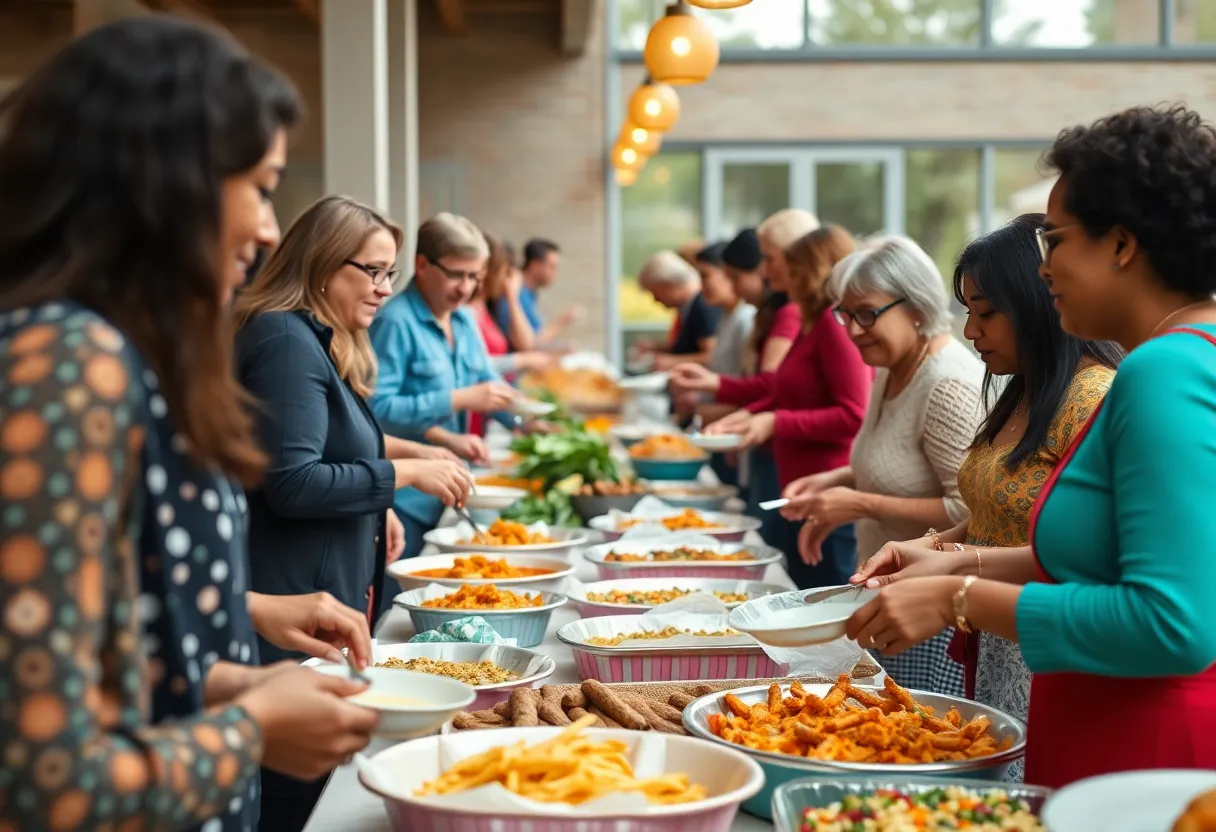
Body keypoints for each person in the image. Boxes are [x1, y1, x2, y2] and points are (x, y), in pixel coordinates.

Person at [0, 17, 380, 832]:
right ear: (165, 184)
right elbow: (44, 778)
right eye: (261, 186)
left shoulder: (111, 354)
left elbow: (94, 657)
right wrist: (252, 728)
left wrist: (236, 667)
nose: (273, 228)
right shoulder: (69, 363)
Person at [846, 105, 1216, 788]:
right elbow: (1095, 558)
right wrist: (955, 562)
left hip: (1143, 755)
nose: (1044, 270)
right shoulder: (1170, 363)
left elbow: (1174, 624)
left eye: (1056, 240)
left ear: (1122, 244)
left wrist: (959, 598)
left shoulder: (1165, 371)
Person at [233, 196, 475, 829]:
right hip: (286, 607)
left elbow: (334, 442)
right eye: (371, 271)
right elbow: (292, 480)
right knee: (292, 797)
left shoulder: (315, 337)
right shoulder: (285, 339)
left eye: (389, 273)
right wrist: (398, 479)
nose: (384, 289)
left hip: (315, 602)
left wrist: (386, 491)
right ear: (319, 265)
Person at [918, 214, 1120, 780]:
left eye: (986, 313)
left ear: (1037, 302)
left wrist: (954, 570)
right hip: (992, 636)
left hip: (1044, 648)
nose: (970, 331)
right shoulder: (1024, 389)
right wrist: (930, 547)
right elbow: (998, 508)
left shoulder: (1093, 398)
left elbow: (1087, 553)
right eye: (967, 312)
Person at [781, 235, 983, 696]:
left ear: (917, 307)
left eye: (866, 313)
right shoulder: (892, 367)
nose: (851, 330)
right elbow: (897, 464)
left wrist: (860, 502)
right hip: (889, 595)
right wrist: (834, 481)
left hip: (933, 615)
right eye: (844, 314)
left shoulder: (948, 385)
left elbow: (970, 511)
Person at [672, 226, 870, 588]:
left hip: (827, 493)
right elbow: (784, 393)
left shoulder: (832, 323)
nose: (770, 274)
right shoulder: (812, 323)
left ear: (816, 273)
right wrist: (746, 416)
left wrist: (773, 423)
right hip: (799, 490)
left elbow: (854, 413)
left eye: (791, 270)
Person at [369, 214, 545, 610]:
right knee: (398, 608)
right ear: (422, 266)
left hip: (451, 491)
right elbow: (375, 412)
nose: (465, 288)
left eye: (475, 277)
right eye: (456, 275)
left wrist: (527, 422)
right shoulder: (394, 322)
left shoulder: (463, 318)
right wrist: (459, 400)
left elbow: (489, 386)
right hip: (405, 502)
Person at [637, 250, 722, 372]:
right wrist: (658, 347)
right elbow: (689, 346)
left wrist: (672, 361)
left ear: (668, 284)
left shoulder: (703, 306)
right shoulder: (688, 307)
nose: (656, 300)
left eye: (655, 293)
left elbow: (711, 356)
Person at [497, 237, 581, 349]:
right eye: (552, 267)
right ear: (534, 266)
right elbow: (531, 344)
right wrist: (562, 321)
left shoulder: (529, 294)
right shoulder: (516, 294)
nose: (555, 273)